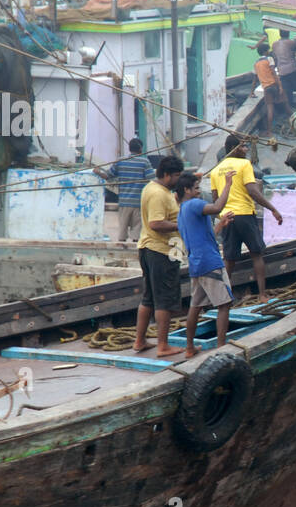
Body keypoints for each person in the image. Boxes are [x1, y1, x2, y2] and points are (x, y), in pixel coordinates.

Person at [208, 134, 284, 300]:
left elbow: (215, 200)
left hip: (227, 218)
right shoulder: (244, 164)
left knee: (229, 259)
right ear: (233, 148)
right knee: (256, 255)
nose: (246, 149)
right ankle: (262, 294)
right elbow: (252, 190)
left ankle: (224, 297)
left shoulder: (215, 170)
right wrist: (272, 208)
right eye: (243, 147)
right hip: (244, 215)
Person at [175, 170, 235, 359]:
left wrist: (220, 226)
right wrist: (228, 184)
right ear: (187, 190)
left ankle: (189, 347)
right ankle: (221, 347)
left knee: (196, 306)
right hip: (210, 262)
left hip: (196, 265)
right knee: (224, 304)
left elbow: (202, 236)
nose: (199, 191)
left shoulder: (182, 212)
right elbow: (217, 207)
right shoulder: (194, 204)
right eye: (196, 188)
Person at [133, 155, 185, 357]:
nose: (178, 181)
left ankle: (139, 341)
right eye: (176, 176)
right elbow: (156, 223)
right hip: (160, 251)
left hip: (150, 248)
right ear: (166, 175)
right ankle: (163, 345)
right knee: (164, 298)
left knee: (149, 298)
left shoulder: (153, 188)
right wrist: (181, 225)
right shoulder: (158, 194)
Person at [93, 138, 155, 241]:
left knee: (122, 232)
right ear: (141, 149)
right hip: (138, 203)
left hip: (123, 202)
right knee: (137, 233)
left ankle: (121, 249)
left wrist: (97, 172)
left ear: (129, 148)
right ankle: (135, 252)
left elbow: (108, 175)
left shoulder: (121, 161)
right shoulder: (145, 162)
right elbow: (152, 180)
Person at [253, 40, 285, 133]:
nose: (269, 51)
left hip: (266, 88)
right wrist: (280, 86)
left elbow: (255, 79)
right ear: (265, 51)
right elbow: (274, 73)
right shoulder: (269, 59)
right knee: (286, 105)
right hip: (274, 84)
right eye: (268, 50)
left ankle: (269, 131)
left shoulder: (256, 63)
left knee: (270, 108)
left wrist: (251, 92)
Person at [271, 30, 296, 107]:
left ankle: (290, 106)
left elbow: (275, 57)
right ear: (288, 33)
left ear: (280, 34)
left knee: (287, 91)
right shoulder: (291, 42)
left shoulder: (274, 44)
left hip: (281, 71)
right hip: (292, 68)